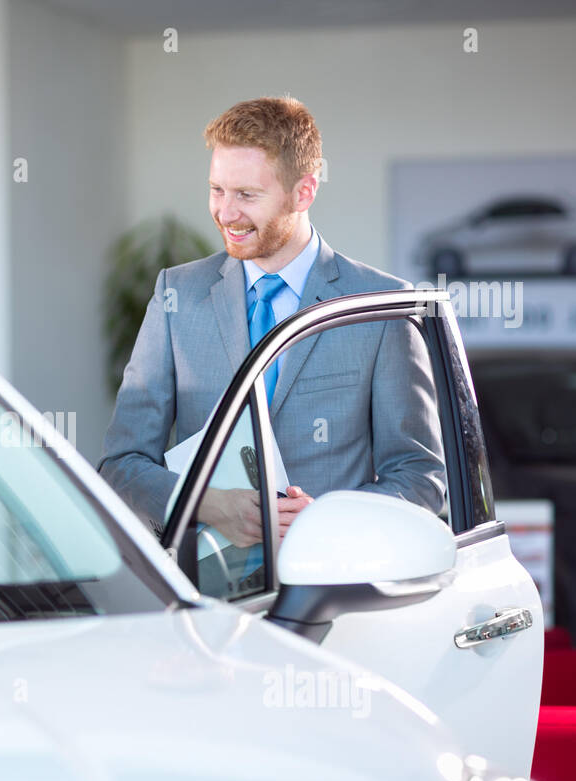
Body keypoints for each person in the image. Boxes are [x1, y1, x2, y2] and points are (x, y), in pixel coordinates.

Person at [98, 96, 445, 549]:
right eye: (217, 189)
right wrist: (207, 503)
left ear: (303, 191)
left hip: (334, 595)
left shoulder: (381, 308)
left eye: (246, 195)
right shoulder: (176, 295)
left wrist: (325, 520)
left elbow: (420, 478)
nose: (225, 212)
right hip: (207, 601)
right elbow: (122, 464)